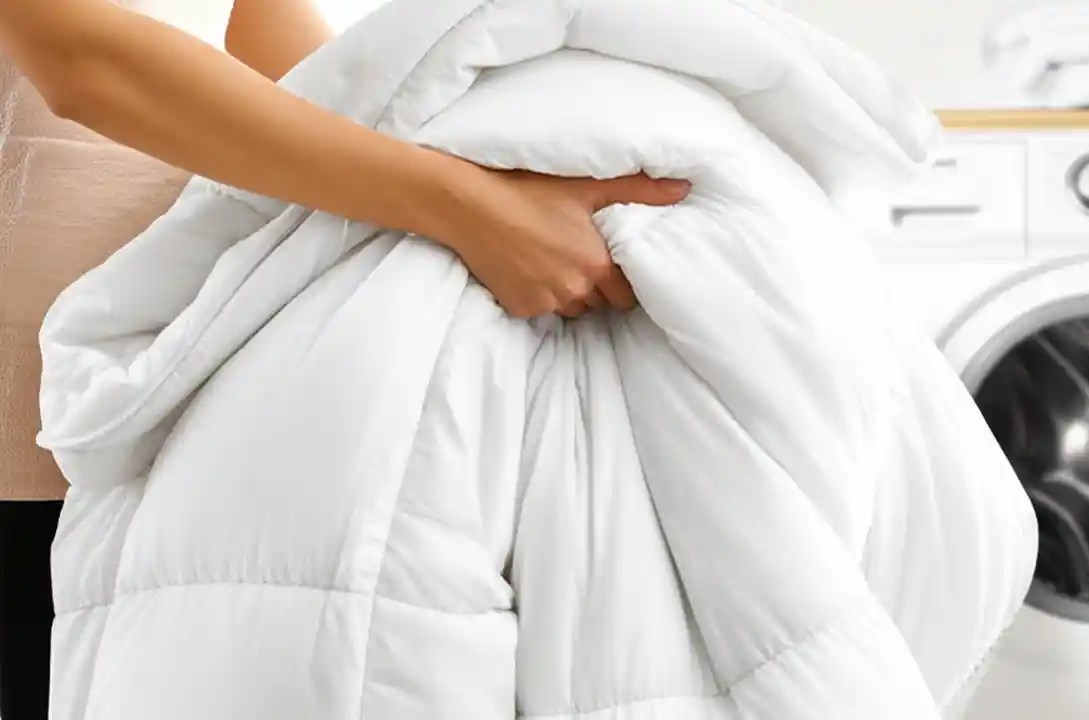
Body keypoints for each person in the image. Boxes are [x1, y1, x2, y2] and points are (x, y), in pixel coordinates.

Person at [0, 1, 690, 715]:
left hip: (211, 398)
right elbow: (83, 65)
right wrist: (471, 208)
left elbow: (309, 71)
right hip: (53, 415)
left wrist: (513, 171)